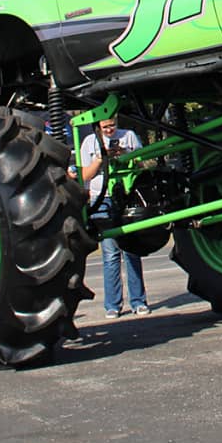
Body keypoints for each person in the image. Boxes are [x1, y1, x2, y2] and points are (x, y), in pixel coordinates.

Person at [76, 116, 149, 318]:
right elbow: (85, 176)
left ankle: (138, 301)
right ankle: (112, 305)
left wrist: (125, 154)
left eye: (113, 126)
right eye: (105, 127)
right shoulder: (89, 142)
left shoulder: (129, 136)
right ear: (97, 127)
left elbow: (142, 165)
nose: (110, 130)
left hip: (125, 195)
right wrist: (101, 158)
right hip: (102, 198)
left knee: (132, 251)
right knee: (110, 253)